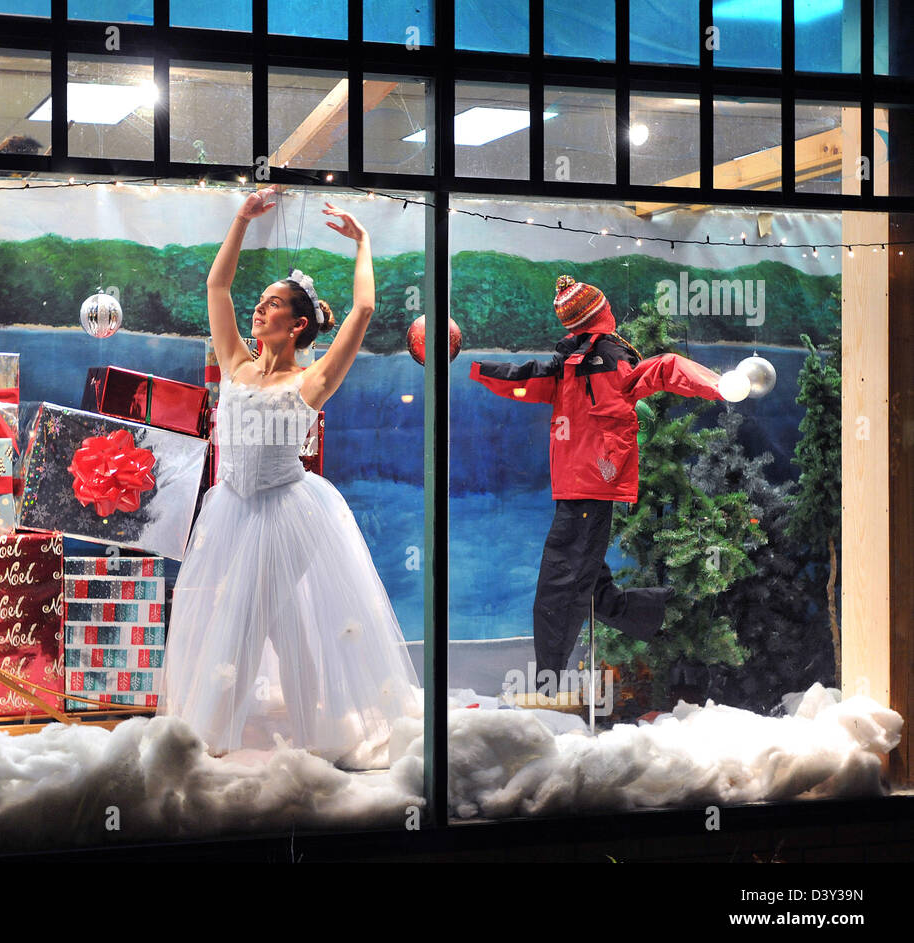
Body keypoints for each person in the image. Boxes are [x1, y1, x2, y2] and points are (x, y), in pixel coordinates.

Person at [160, 186, 421, 767]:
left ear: (298, 324)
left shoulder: (311, 382)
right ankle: (314, 728)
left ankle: (213, 741)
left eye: (273, 303)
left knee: (246, 611)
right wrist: (241, 220)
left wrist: (364, 243)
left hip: (287, 510)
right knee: (278, 619)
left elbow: (364, 312)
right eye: (262, 300)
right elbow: (217, 288)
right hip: (230, 505)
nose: (259, 307)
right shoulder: (235, 362)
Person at [470, 275, 729, 687]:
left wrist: (610, 465)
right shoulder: (575, 359)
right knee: (584, 582)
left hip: (590, 486)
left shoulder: (604, 358)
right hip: (579, 484)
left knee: (560, 583)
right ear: (602, 312)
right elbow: (527, 378)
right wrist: (478, 368)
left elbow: (626, 409)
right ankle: (655, 610)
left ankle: (548, 683)